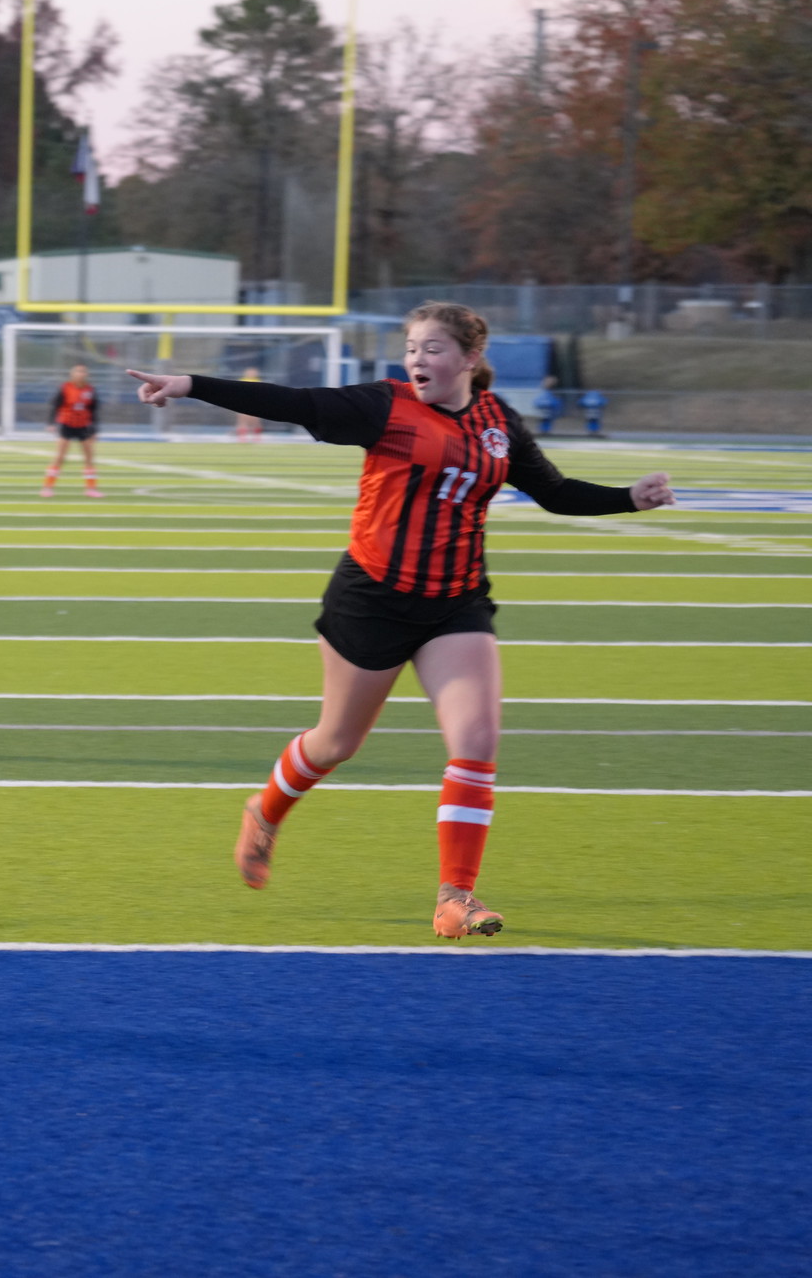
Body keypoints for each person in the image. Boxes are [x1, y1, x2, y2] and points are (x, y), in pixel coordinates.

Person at [126, 300, 675, 939]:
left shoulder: (500, 423)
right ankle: (267, 811)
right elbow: (294, 402)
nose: (418, 359)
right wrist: (189, 386)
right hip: (374, 599)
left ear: (469, 358)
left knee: (475, 744)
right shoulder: (384, 407)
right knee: (336, 743)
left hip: (456, 602)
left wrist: (627, 500)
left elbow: (552, 492)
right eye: (412, 348)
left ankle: (455, 898)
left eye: (433, 349)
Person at [41, 362, 103, 497]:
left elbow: (94, 411)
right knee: (60, 457)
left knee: (89, 458)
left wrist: (95, 430)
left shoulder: (90, 390)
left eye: (83, 372)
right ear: (72, 374)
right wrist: (51, 423)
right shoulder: (64, 388)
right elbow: (55, 406)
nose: (81, 374)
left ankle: (91, 489)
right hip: (66, 424)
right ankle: (48, 487)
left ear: (87, 375)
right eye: (78, 371)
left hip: (83, 425)